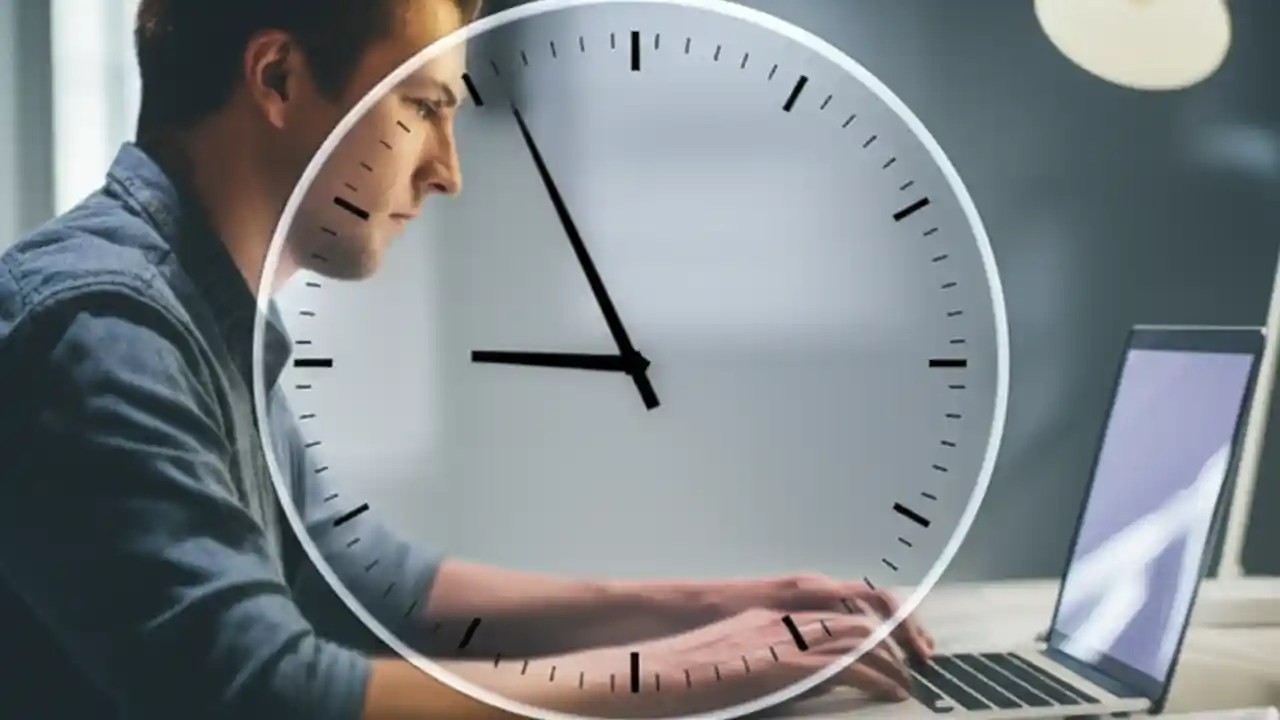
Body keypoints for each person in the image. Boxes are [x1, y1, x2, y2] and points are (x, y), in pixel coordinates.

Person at [0, 0, 935, 718]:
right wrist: (690, 674)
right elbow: (268, 694)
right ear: (278, 78)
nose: (448, 168)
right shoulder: (105, 330)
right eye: (422, 106)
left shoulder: (200, 316)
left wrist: (723, 606)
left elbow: (382, 587)